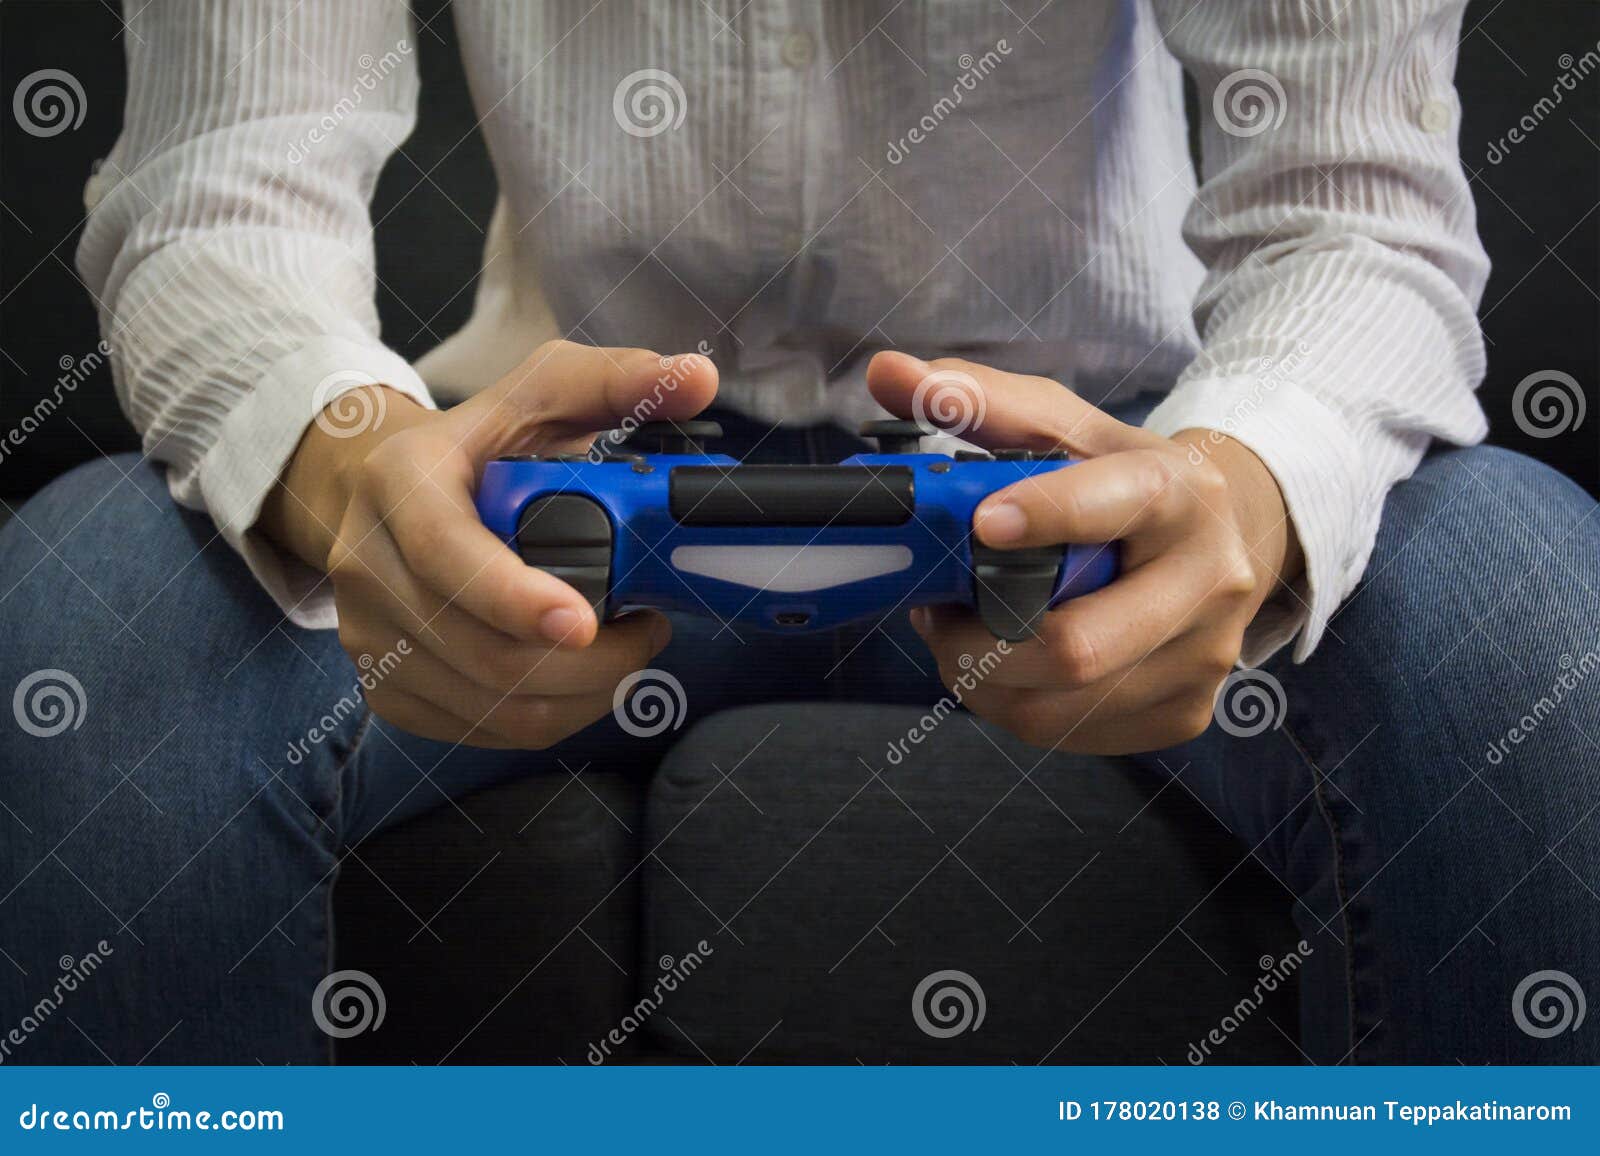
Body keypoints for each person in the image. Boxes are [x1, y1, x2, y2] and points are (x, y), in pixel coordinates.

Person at [2, 0, 1595, 1064]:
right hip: (573, 492)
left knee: (1526, 618)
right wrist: (358, 467)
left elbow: (1356, 207)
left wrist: (1244, 478)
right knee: (92, 612)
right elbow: (225, 186)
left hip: (1091, 487)